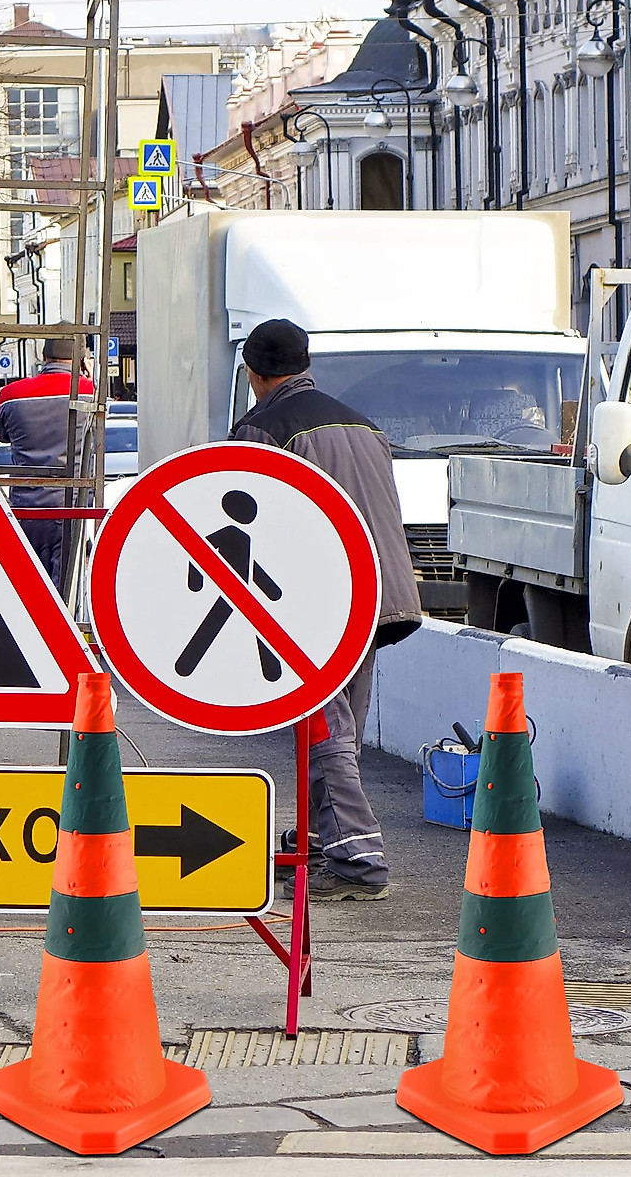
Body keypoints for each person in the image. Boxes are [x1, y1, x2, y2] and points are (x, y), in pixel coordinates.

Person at [230, 318, 422, 903]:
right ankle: (322, 841)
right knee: (344, 725)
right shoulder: (362, 423)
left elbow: (242, 513)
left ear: (253, 372)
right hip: (379, 594)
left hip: (317, 602)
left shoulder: (263, 429)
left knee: (324, 728)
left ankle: (360, 860)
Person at [0, 332, 94, 584]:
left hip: (24, 509)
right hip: (69, 509)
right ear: (82, 360)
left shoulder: (11, 395)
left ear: (44, 356)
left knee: (26, 591)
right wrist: (87, 376)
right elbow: (96, 434)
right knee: (64, 595)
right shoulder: (90, 393)